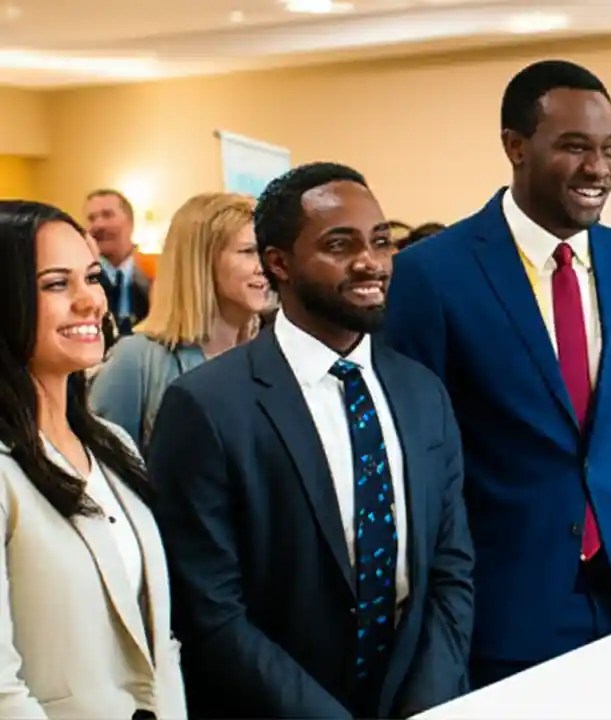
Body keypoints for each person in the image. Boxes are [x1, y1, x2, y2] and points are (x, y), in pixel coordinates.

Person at [385, 59, 611, 687]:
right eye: (574, 147)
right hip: (505, 609)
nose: (598, 168)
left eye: (610, 149)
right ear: (515, 147)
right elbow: (420, 464)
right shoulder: (433, 274)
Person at [147, 163, 474, 718]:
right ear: (279, 263)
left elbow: (450, 571)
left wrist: (426, 702)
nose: (370, 262)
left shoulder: (423, 393)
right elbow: (211, 610)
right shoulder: (206, 406)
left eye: (380, 242)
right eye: (339, 245)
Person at [0, 200, 184, 717]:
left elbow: (154, 643)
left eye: (93, 277)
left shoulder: (112, 444)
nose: (90, 302)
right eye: (56, 284)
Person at [89, 192, 269, 448]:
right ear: (202, 261)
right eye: (248, 251)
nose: (264, 266)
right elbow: (109, 470)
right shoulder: (135, 360)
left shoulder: (269, 356)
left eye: (266, 251)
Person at [85, 189, 150, 335]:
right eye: (91, 218)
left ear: (130, 222)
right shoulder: (83, 281)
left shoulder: (158, 275)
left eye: (107, 215)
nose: (98, 225)